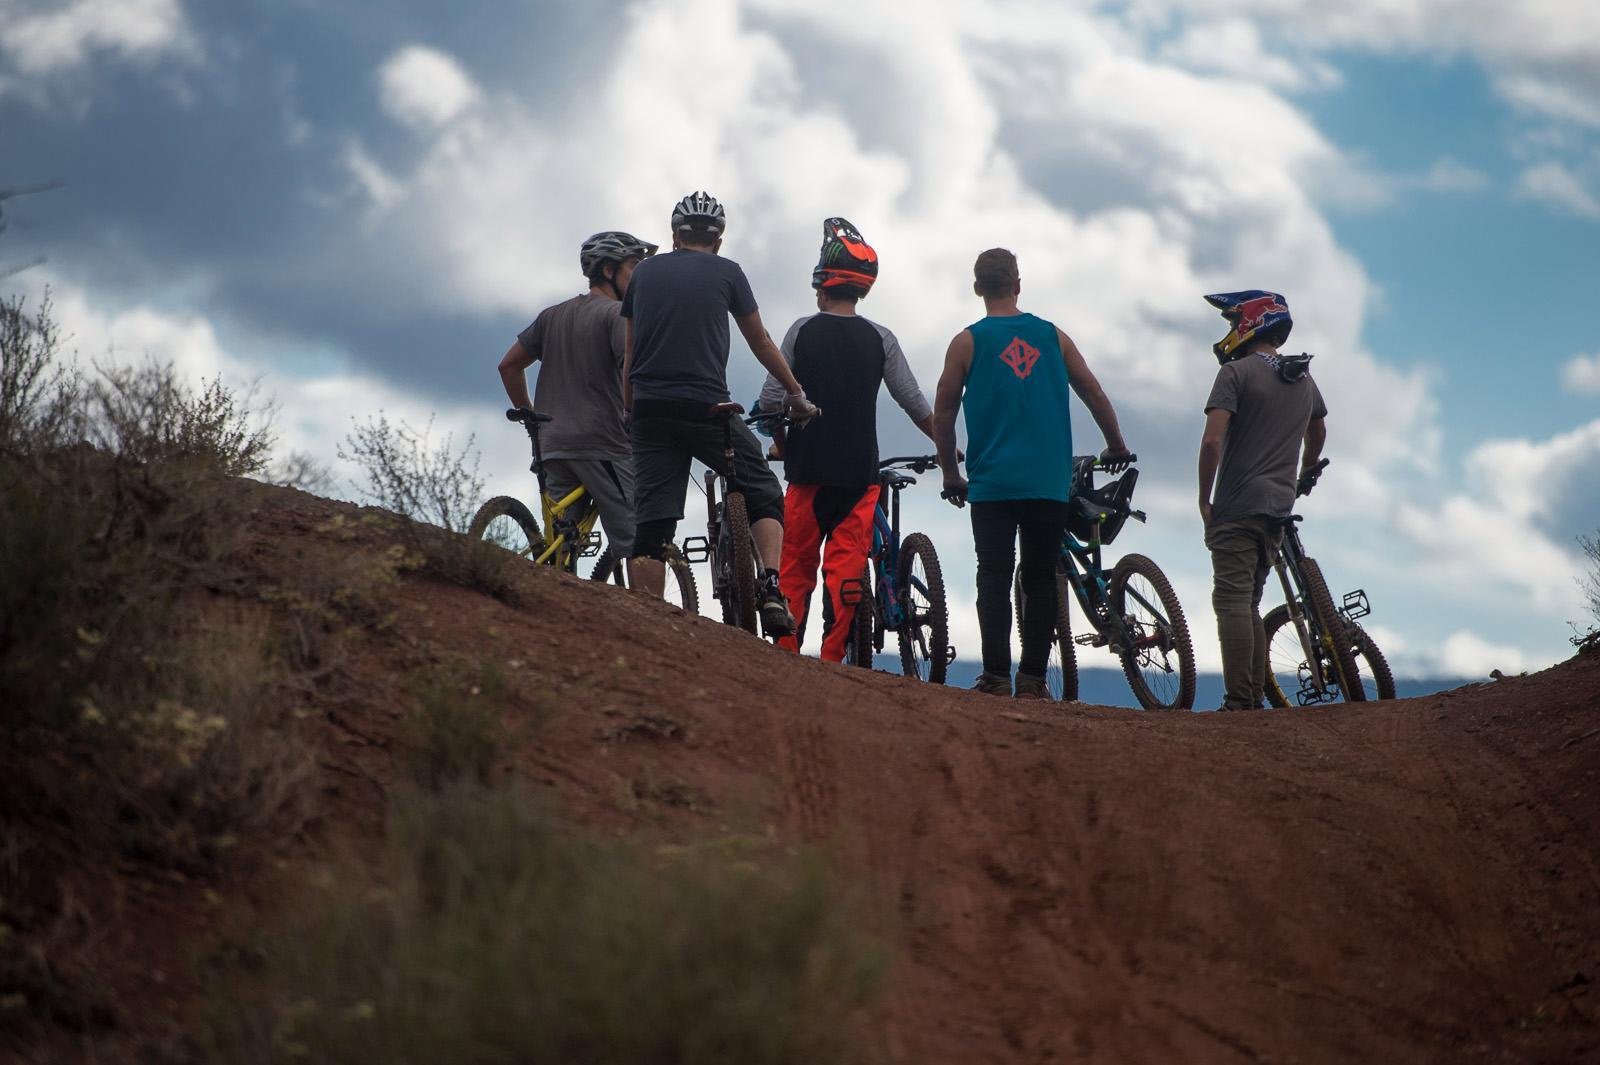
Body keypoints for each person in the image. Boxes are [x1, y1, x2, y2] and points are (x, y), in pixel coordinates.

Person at [933, 248, 1131, 699]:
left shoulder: (966, 342)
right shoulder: (1052, 337)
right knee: (1041, 579)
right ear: (1018, 284)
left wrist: (949, 473)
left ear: (978, 287)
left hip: (992, 485)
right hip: (1048, 482)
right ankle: (1034, 680)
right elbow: (1092, 391)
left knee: (994, 577)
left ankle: (997, 676)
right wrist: (1116, 443)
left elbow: (943, 414)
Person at [620, 191, 819, 636]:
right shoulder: (729, 273)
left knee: (651, 523)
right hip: (708, 409)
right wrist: (796, 392)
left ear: (674, 236)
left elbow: (630, 358)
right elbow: (761, 342)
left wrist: (631, 412)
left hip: (651, 410)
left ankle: (646, 625)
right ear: (719, 240)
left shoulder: (643, 275)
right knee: (764, 488)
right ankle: (770, 585)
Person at [757, 217, 936, 661]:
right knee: (847, 571)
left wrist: (780, 440)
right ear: (860, 290)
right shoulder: (881, 338)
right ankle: (833, 660)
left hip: (807, 473)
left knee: (796, 568)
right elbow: (913, 400)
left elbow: (767, 401)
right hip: (860, 474)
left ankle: (785, 654)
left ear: (822, 287)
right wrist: (945, 444)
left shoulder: (802, 330)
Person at [498, 230, 658, 584]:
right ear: (607, 271)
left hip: (552, 445)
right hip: (603, 444)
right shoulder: (618, 315)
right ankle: (652, 620)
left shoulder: (551, 316)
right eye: (634, 266)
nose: (639, 275)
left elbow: (508, 366)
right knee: (637, 537)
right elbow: (632, 371)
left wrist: (530, 418)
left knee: (561, 544)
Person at [1197, 290, 1327, 711]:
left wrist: (1204, 499)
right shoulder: (1302, 378)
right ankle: (1250, 698)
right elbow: (1318, 428)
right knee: (1249, 600)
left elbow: (1212, 440)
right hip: (1279, 508)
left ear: (1248, 325)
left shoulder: (1236, 373)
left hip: (1237, 504)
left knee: (1231, 600)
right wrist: (1304, 469)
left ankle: (1240, 701)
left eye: (1234, 323)